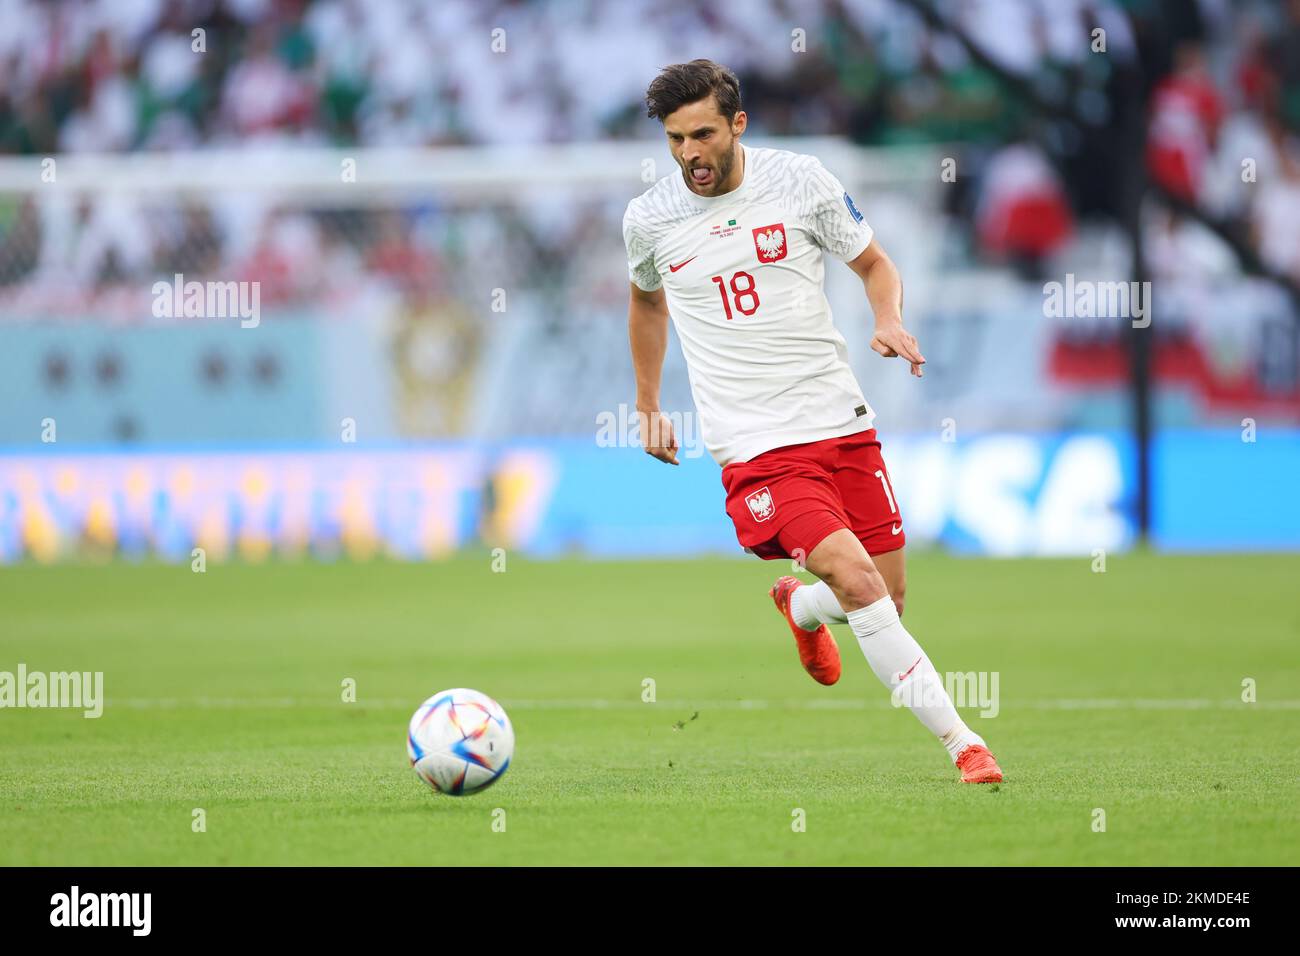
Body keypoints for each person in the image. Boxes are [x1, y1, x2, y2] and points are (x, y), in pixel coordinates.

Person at [622, 59, 1002, 783]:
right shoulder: (650, 219)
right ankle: (965, 746)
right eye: (674, 140)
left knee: (885, 597)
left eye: (702, 133)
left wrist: (888, 319)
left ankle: (799, 607)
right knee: (859, 582)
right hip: (758, 448)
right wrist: (647, 406)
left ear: (738, 123)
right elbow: (646, 304)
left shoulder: (800, 182)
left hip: (839, 419)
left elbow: (876, 265)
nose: (689, 154)